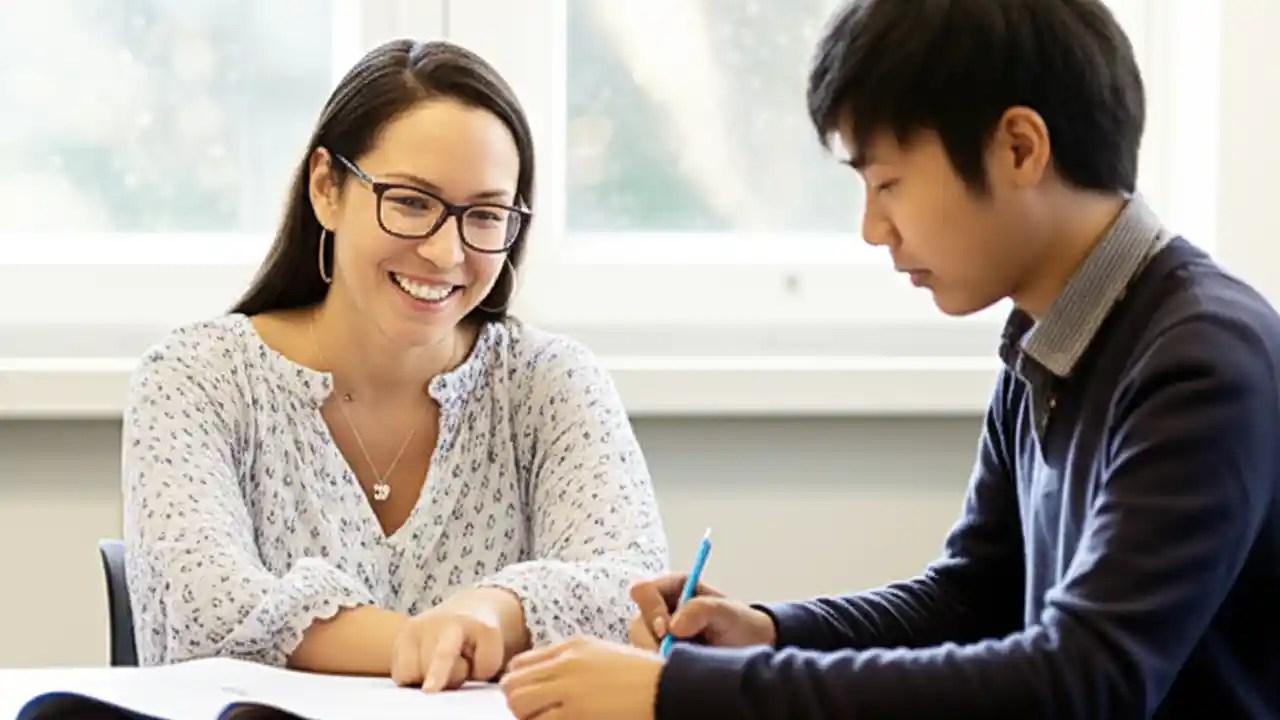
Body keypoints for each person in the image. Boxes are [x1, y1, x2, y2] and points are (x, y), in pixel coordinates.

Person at [496, 0, 1280, 717]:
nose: (874, 228)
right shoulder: (1051, 337)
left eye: (890, 183)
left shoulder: (1201, 363)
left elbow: (1083, 680)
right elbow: (974, 595)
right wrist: (770, 633)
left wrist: (684, 693)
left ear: (1019, 147)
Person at [121, 39, 668, 690]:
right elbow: (205, 608)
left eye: (485, 215)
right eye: (410, 202)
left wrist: (496, 610)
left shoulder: (551, 382)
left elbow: (630, 595)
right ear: (326, 188)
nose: (445, 251)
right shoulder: (196, 378)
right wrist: (424, 641)